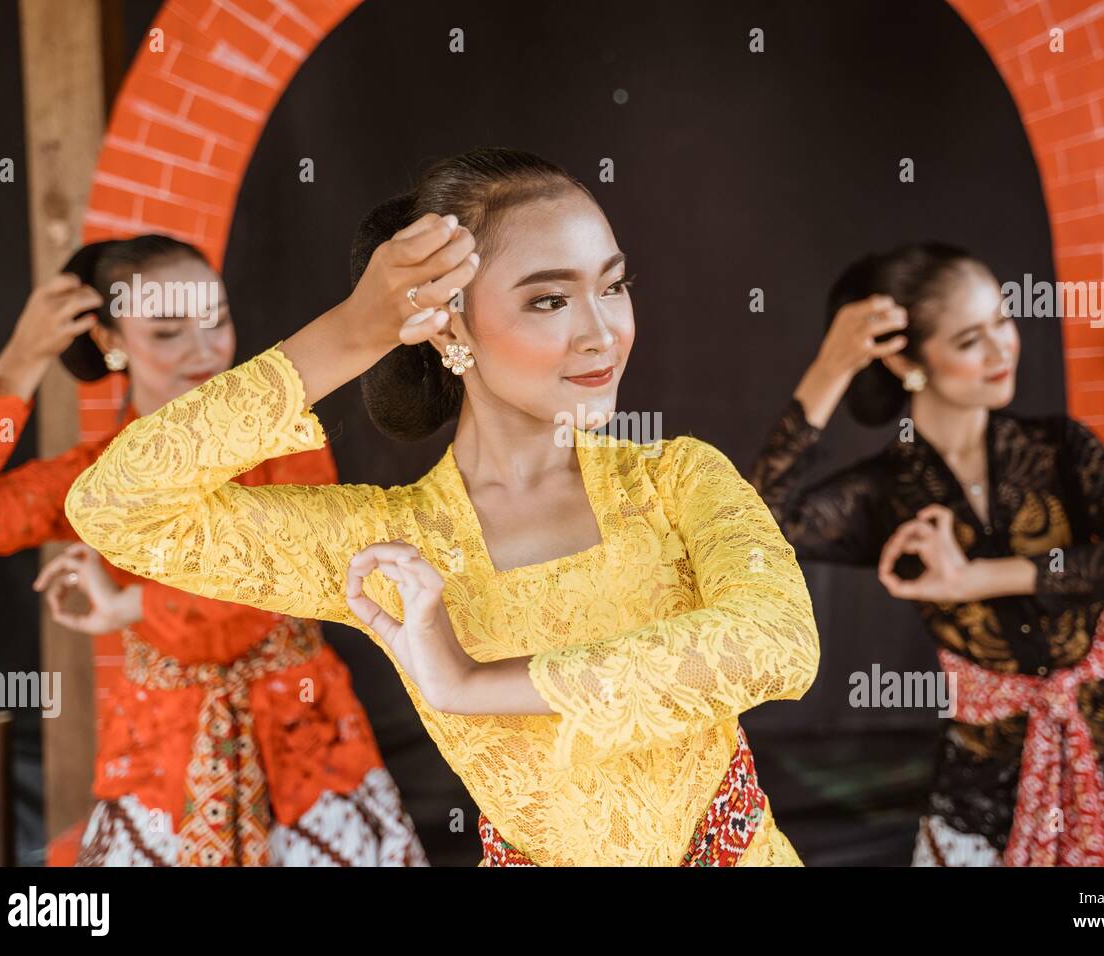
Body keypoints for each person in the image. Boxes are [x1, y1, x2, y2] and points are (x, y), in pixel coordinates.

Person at [66, 147, 821, 866]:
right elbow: (116, 507)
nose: (603, 334)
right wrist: (351, 333)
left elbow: (778, 643)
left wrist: (468, 684)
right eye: (551, 299)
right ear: (450, 324)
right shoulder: (389, 548)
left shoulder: (677, 479)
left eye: (614, 286)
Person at [749, 242, 1104, 866]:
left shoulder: (1058, 447)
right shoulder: (884, 490)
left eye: (1004, 320)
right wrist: (830, 369)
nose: (1003, 349)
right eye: (970, 339)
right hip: (987, 779)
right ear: (906, 361)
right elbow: (755, 525)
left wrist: (974, 578)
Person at [0, 235, 425, 866]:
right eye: (167, 332)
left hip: (300, 741)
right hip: (161, 755)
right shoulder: (100, 476)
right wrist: (22, 360)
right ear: (111, 341)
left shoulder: (284, 443)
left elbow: (275, 584)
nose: (203, 350)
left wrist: (130, 606)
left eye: (216, 321)